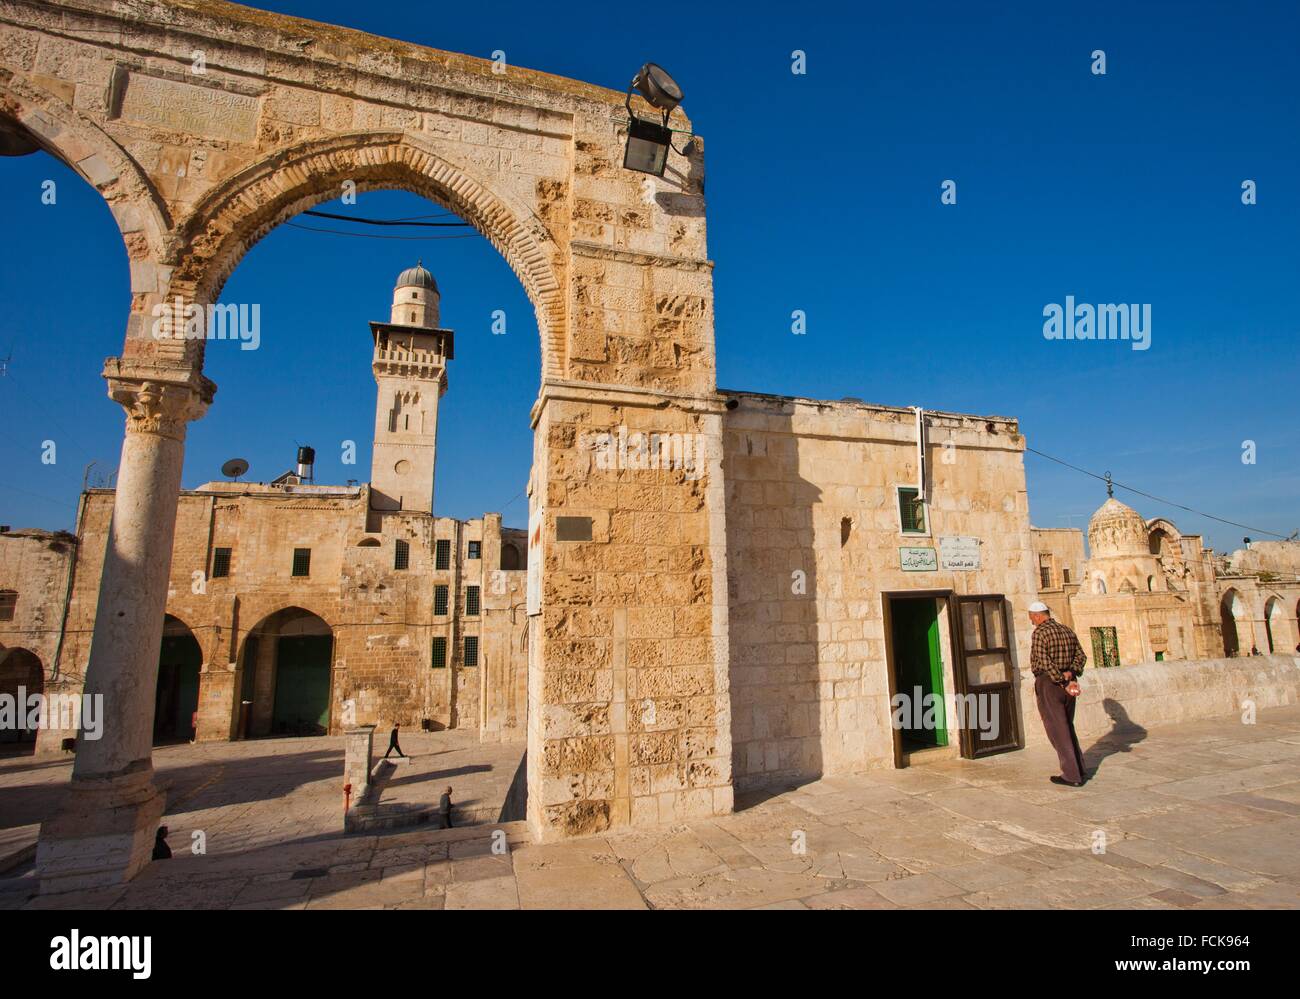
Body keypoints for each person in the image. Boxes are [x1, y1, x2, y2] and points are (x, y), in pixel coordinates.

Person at [1028, 601, 1088, 787]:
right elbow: (1081, 656)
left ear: (1038, 616)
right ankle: (1079, 768)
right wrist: (1070, 673)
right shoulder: (1066, 630)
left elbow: (1044, 661)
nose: (1032, 622)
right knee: (1067, 726)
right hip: (1070, 683)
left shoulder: (1040, 633)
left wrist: (1059, 679)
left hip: (1051, 684)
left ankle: (1071, 775)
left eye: (1032, 618)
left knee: (1057, 729)